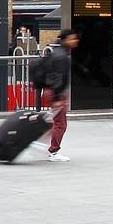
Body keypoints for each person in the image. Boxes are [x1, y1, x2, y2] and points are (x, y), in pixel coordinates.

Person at [41, 29, 78, 163]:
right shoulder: (62, 57)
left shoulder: (56, 53)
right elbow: (58, 78)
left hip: (50, 91)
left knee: (56, 122)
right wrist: (57, 98)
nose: (75, 41)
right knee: (60, 124)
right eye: (72, 39)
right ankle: (53, 151)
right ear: (64, 40)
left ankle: (46, 146)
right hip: (55, 93)